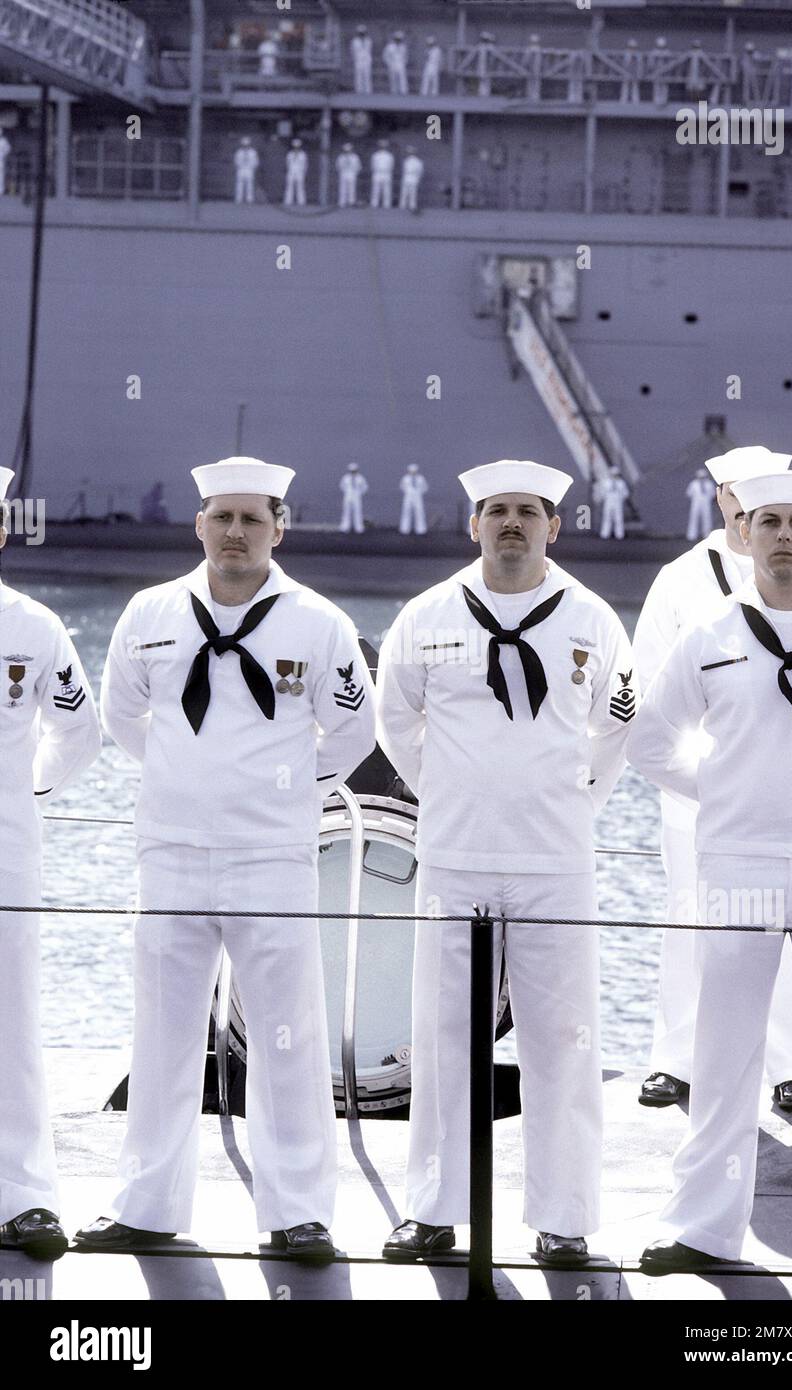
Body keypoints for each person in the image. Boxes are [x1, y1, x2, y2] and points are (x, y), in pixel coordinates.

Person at [75, 457, 375, 1258]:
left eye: (252, 519)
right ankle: (146, 1204)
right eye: (221, 517)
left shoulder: (318, 623)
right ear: (198, 525)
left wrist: (277, 792)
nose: (235, 532)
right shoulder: (149, 612)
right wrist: (190, 780)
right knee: (162, 1032)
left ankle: (298, 1214)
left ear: (279, 527)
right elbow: (122, 717)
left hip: (271, 855)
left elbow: (352, 734)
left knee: (288, 1034)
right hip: (170, 850)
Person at [376, 459, 636, 1266]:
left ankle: (563, 1218)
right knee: (443, 1031)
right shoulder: (424, 616)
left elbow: (615, 730)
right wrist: (455, 796)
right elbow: (394, 724)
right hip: (453, 855)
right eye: (497, 511)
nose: (512, 523)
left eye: (529, 511)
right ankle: (432, 1209)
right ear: (472, 524)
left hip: (555, 861)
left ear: (554, 527)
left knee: (563, 1036)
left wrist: (566, 804)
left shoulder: (592, 620)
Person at [630, 468, 792, 1280]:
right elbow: (649, 742)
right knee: (723, 1053)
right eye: (766, 522)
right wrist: (724, 796)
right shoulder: (710, 633)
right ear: (743, 533)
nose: (781, 537)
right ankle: (702, 1228)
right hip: (740, 865)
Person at [632, 447, 792, 1113]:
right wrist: (697, 780)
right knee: (688, 919)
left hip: (788, 792)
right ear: (721, 502)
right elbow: (648, 691)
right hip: (697, 787)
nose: (748, 510)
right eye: (737, 497)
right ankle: (675, 1060)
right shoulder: (680, 580)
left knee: (791, 928)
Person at [0, 466, 101, 1261]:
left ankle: (24, 1195)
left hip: (4, 853)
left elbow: (81, 731)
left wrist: (25, 793)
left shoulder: (32, 628)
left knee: (12, 1022)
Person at [684, 468, 716, 541]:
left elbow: (713, 494)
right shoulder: (693, 484)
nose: (701, 478)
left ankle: (707, 534)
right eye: (700, 477)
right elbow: (689, 493)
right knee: (694, 518)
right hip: (696, 503)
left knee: (707, 518)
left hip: (706, 503)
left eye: (703, 476)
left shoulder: (709, 484)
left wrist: (707, 498)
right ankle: (692, 535)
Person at [598, 467, 629, 540]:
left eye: (615, 474)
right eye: (613, 474)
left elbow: (625, 493)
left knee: (619, 518)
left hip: (617, 503)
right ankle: (604, 534)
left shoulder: (621, 483)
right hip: (608, 502)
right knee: (607, 518)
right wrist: (605, 498)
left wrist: (620, 498)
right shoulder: (606, 483)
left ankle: (619, 535)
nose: (614, 476)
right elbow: (602, 492)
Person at [398, 464, 428, 535]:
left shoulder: (421, 478)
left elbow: (425, 487)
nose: (413, 472)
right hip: (408, 497)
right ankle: (404, 529)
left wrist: (419, 492)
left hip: (418, 497)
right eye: (411, 471)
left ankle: (421, 529)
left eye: (414, 471)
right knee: (406, 512)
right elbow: (402, 486)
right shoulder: (405, 478)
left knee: (419, 512)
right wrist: (408, 492)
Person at [339, 462, 368, 532]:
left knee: (358, 512)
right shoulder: (345, 478)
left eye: (354, 470)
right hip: (348, 497)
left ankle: (359, 527)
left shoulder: (361, 478)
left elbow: (365, 487)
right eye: (352, 471)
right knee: (346, 512)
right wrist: (347, 492)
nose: (353, 472)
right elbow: (341, 486)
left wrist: (359, 493)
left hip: (357, 497)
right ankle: (345, 526)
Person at [382, 31, 409, 96]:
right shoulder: (390, 47)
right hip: (392, 64)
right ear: (394, 39)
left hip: (401, 64)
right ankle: (394, 92)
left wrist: (404, 63)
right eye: (397, 39)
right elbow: (385, 56)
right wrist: (389, 64)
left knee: (402, 79)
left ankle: (403, 92)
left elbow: (406, 56)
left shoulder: (403, 47)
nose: (398, 41)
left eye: (399, 39)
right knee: (393, 79)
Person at [233, 137, 258, 204]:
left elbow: (256, 161)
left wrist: (252, 167)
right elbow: (236, 161)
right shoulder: (239, 152)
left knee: (250, 185)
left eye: (247, 145)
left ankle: (249, 199)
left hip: (249, 170)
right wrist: (240, 165)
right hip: (241, 169)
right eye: (244, 145)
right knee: (239, 185)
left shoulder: (253, 152)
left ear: (249, 145)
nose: (245, 146)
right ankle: (238, 199)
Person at [370, 140, 394, 209]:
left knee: (387, 190)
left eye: (384, 146)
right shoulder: (375, 155)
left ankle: (387, 204)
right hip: (377, 173)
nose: (382, 147)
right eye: (381, 146)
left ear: (386, 147)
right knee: (376, 189)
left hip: (386, 173)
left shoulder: (390, 155)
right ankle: (374, 203)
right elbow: (372, 165)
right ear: (379, 147)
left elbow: (391, 166)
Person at [336, 142, 361, 207]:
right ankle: (342, 202)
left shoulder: (355, 157)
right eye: (346, 151)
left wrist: (355, 173)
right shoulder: (341, 157)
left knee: (352, 188)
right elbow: (338, 166)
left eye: (349, 150)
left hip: (352, 173)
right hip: (343, 173)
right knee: (342, 188)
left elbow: (358, 166)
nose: (347, 152)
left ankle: (351, 202)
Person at [283, 138, 307, 207]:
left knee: (300, 187)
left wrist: (303, 172)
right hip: (291, 171)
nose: (296, 148)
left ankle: (301, 201)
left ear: (299, 147)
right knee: (289, 186)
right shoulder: (290, 154)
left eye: (297, 147)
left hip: (300, 172)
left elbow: (305, 164)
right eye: (295, 147)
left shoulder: (303, 154)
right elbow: (287, 163)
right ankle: (288, 201)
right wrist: (288, 170)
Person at [399, 147, 424, 211]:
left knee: (405, 193)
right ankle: (410, 206)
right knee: (411, 193)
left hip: (409, 177)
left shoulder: (407, 161)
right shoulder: (417, 161)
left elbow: (419, 171)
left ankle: (404, 206)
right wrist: (418, 179)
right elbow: (420, 172)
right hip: (411, 177)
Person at [351, 24, 372, 95]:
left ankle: (368, 91)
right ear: (358, 33)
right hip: (358, 60)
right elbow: (352, 51)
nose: (362, 34)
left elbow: (369, 50)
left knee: (367, 75)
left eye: (363, 33)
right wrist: (355, 59)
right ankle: (359, 91)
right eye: (361, 33)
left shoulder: (368, 41)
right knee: (358, 76)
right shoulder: (354, 41)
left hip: (366, 60)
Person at [649, 36, 671, 106]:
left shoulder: (667, 52)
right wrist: (652, 70)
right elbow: (650, 63)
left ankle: (664, 101)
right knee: (657, 87)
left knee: (664, 87)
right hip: (656, 72)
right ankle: (656, 101)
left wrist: (667, 70)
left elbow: (671, 63)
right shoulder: (653, 52)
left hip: (665, 72)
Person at [620, 38, 641, 103]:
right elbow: (623, 63)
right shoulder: (625, 53)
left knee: (635, 87)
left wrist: (639, 73)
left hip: (635, 73)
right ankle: (623, 100)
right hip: (626, 72)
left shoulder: (638, 54)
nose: (632, 49)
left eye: (633, 47)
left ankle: (635, 101)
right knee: (625, 87)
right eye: (631, 47)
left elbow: (640, 64)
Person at [0, 131, 11, 196]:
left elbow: (8, 149)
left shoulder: (4, 141)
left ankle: (0, 191)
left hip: (0, 161)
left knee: (0, 176)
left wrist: (3, 155)